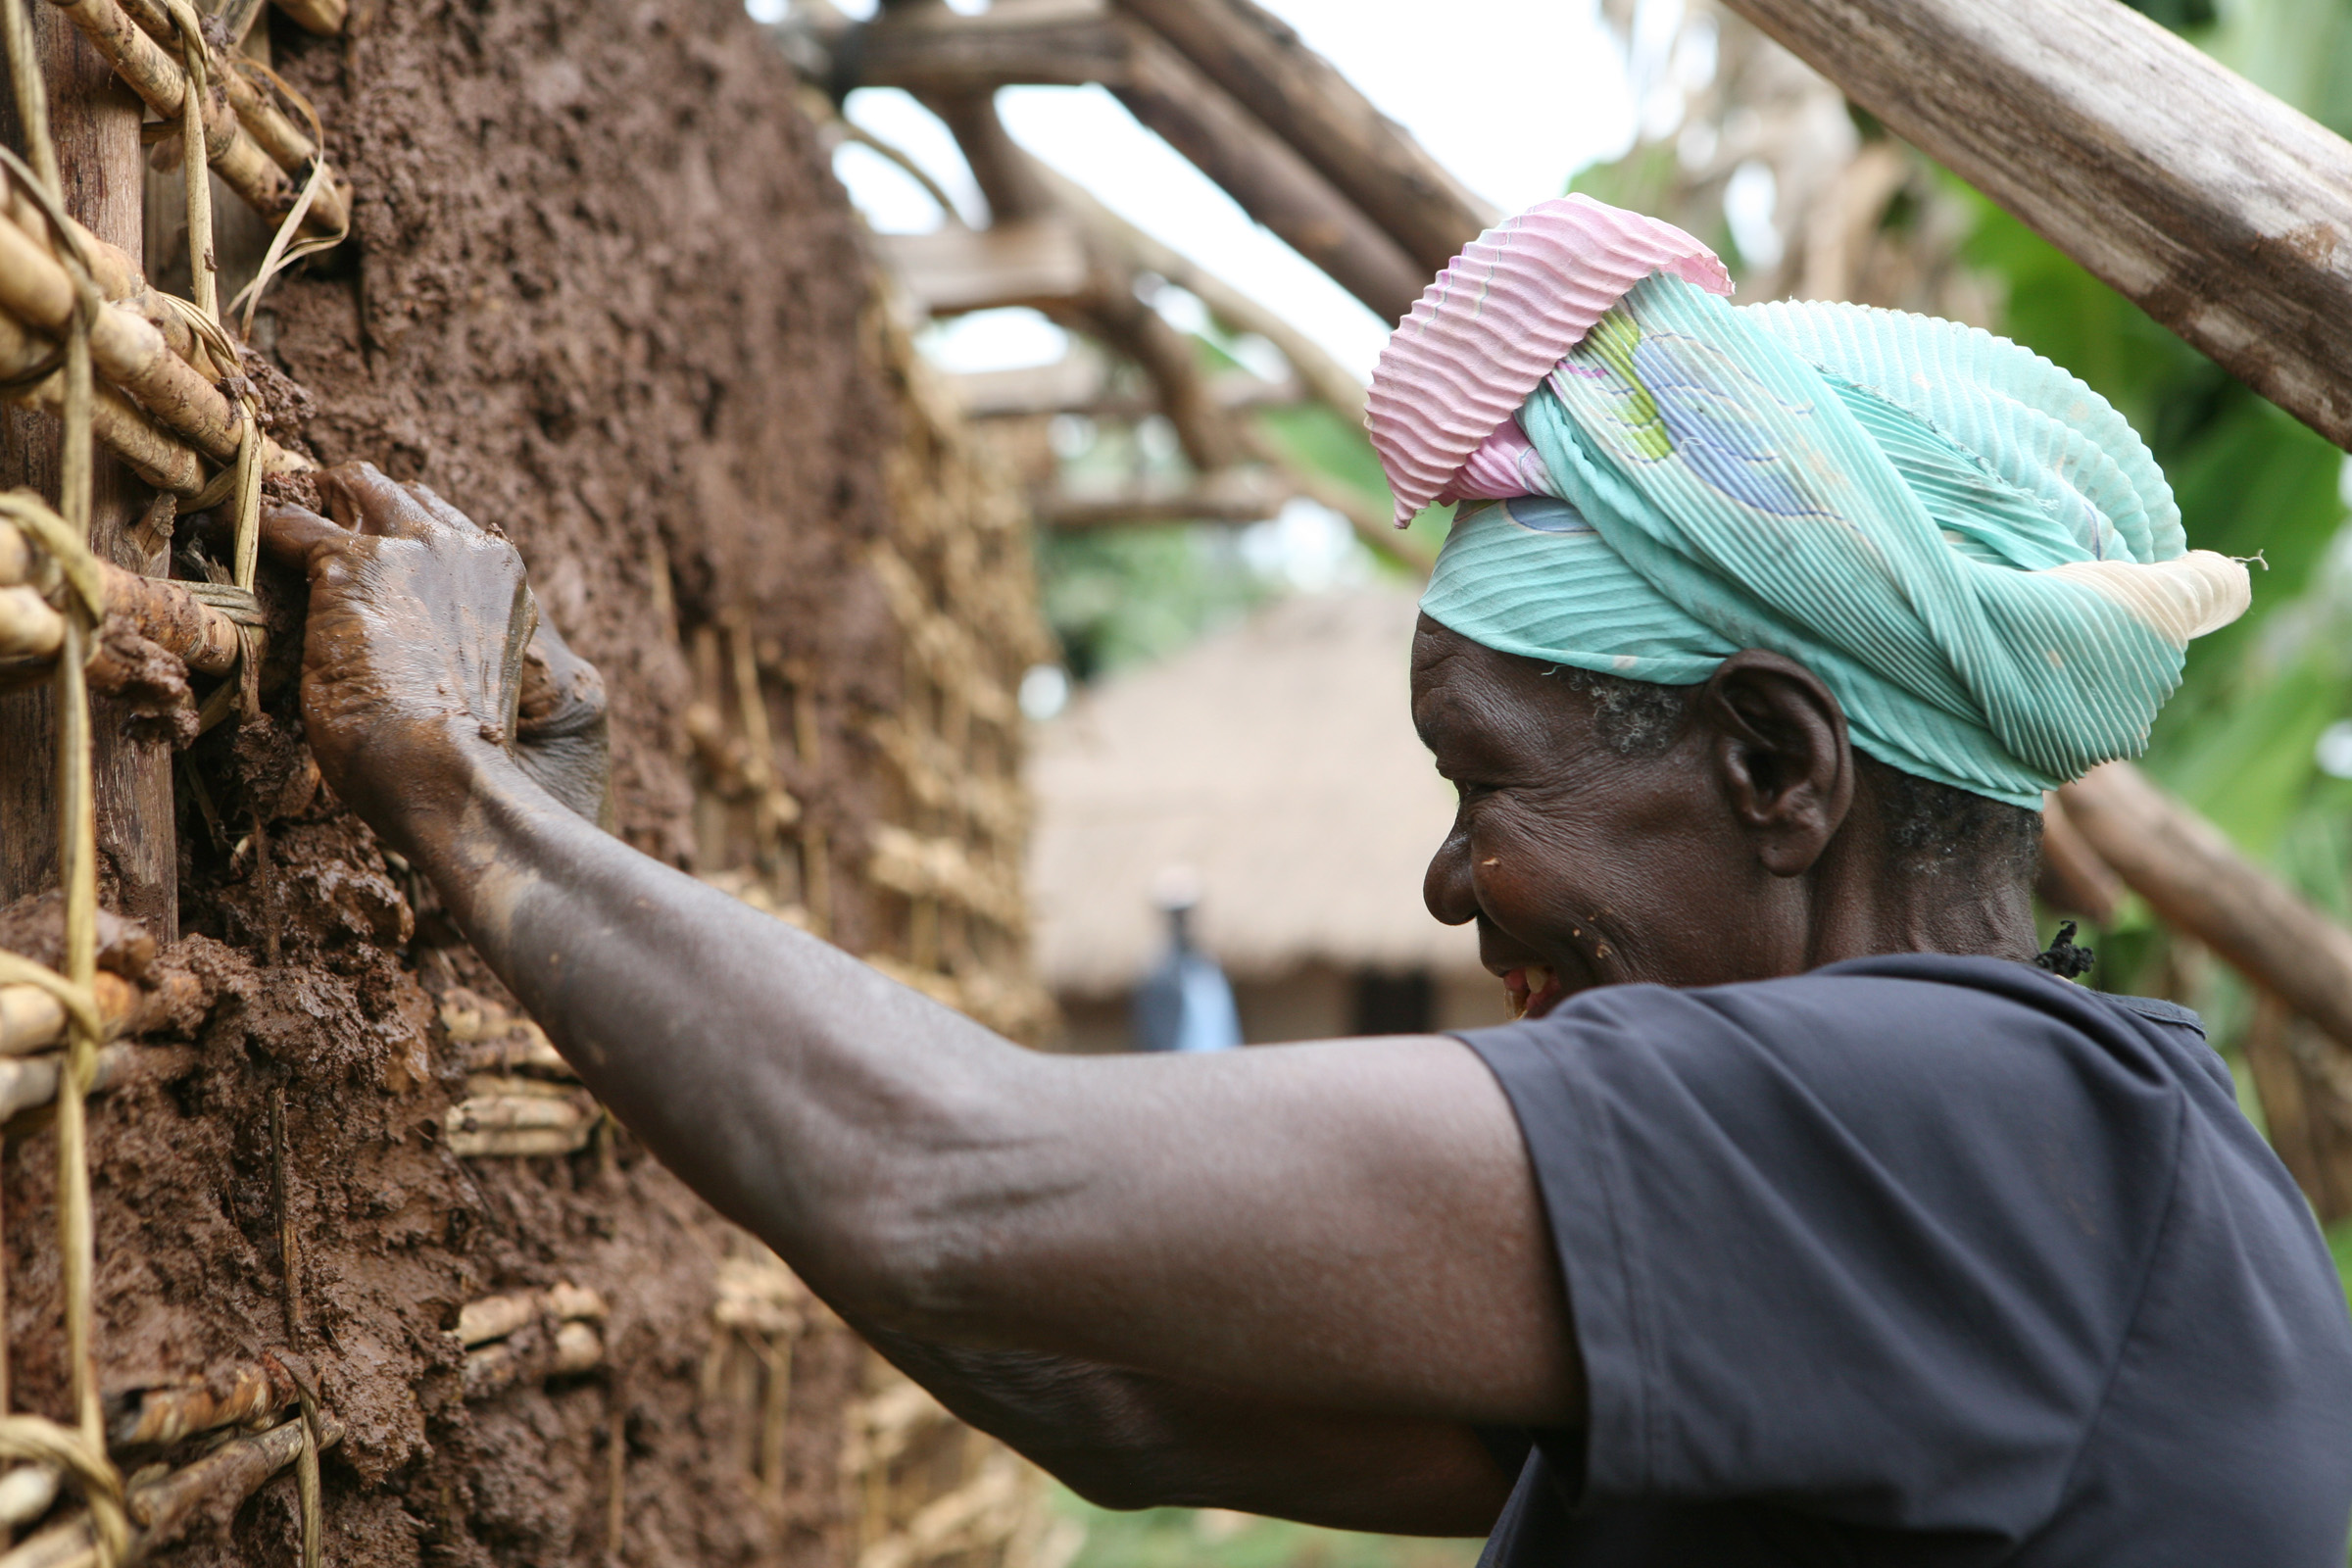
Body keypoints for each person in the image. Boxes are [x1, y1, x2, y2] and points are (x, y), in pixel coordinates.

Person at [260, 195, 2352, 1565]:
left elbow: (965, 1184)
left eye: (1483, 780)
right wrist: (569, 851)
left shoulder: (1957, 1119)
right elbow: (1120, 1391)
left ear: (1775, 766)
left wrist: (472, 810)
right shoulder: (2040, 1176)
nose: (1452, 885)